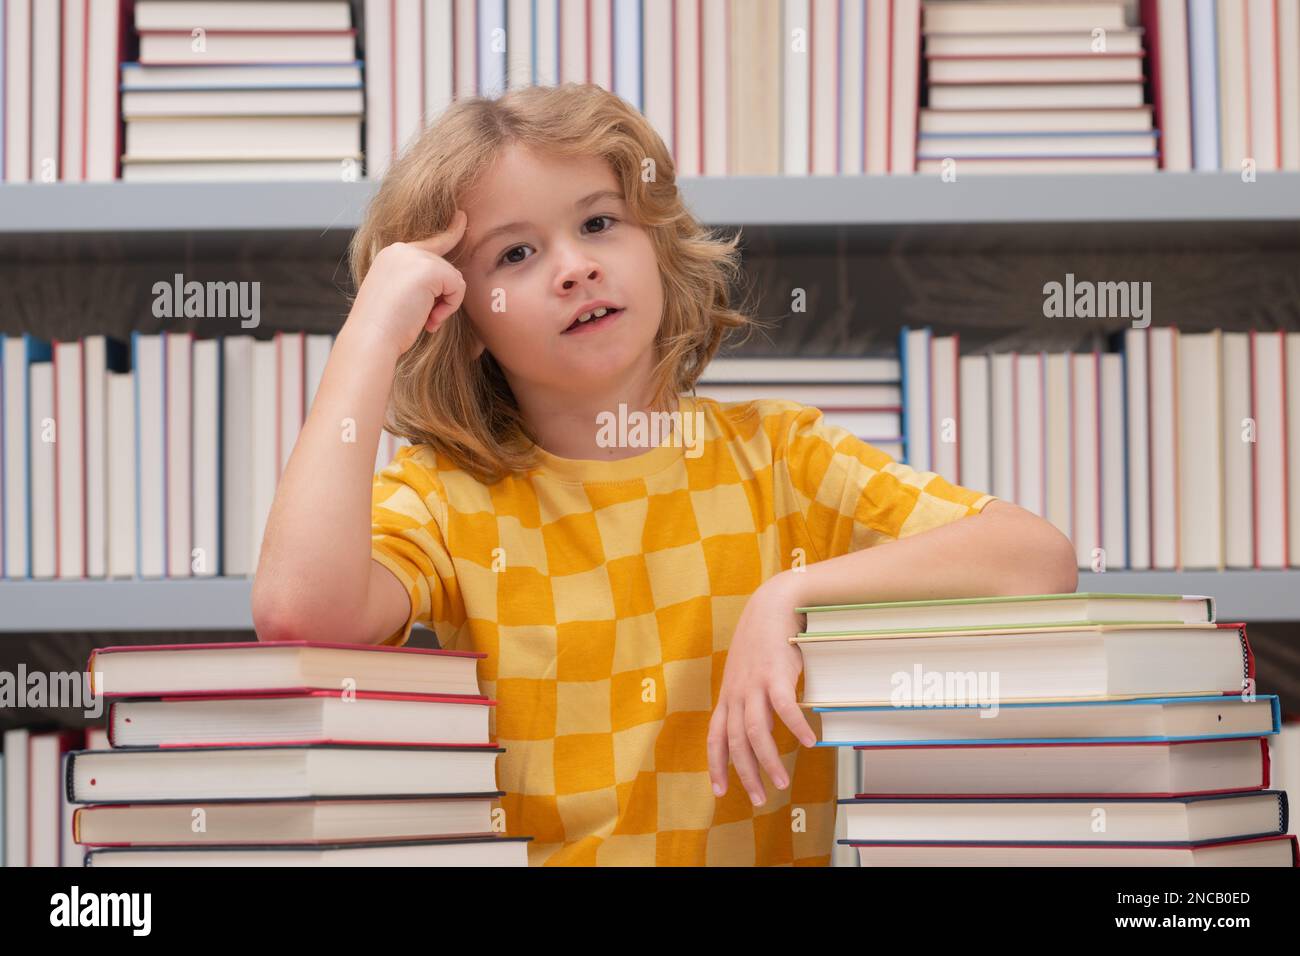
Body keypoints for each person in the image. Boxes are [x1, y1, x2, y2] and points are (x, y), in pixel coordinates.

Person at [252, 82, 1078, 866]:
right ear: (459, 318)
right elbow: (301, 617)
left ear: (659, 246)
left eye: (600, 223)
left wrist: (789, 596)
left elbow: (1035, 559)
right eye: (515, 253)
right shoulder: (446, 494)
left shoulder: (783, 456)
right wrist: (369, 336)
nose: (573, 267)